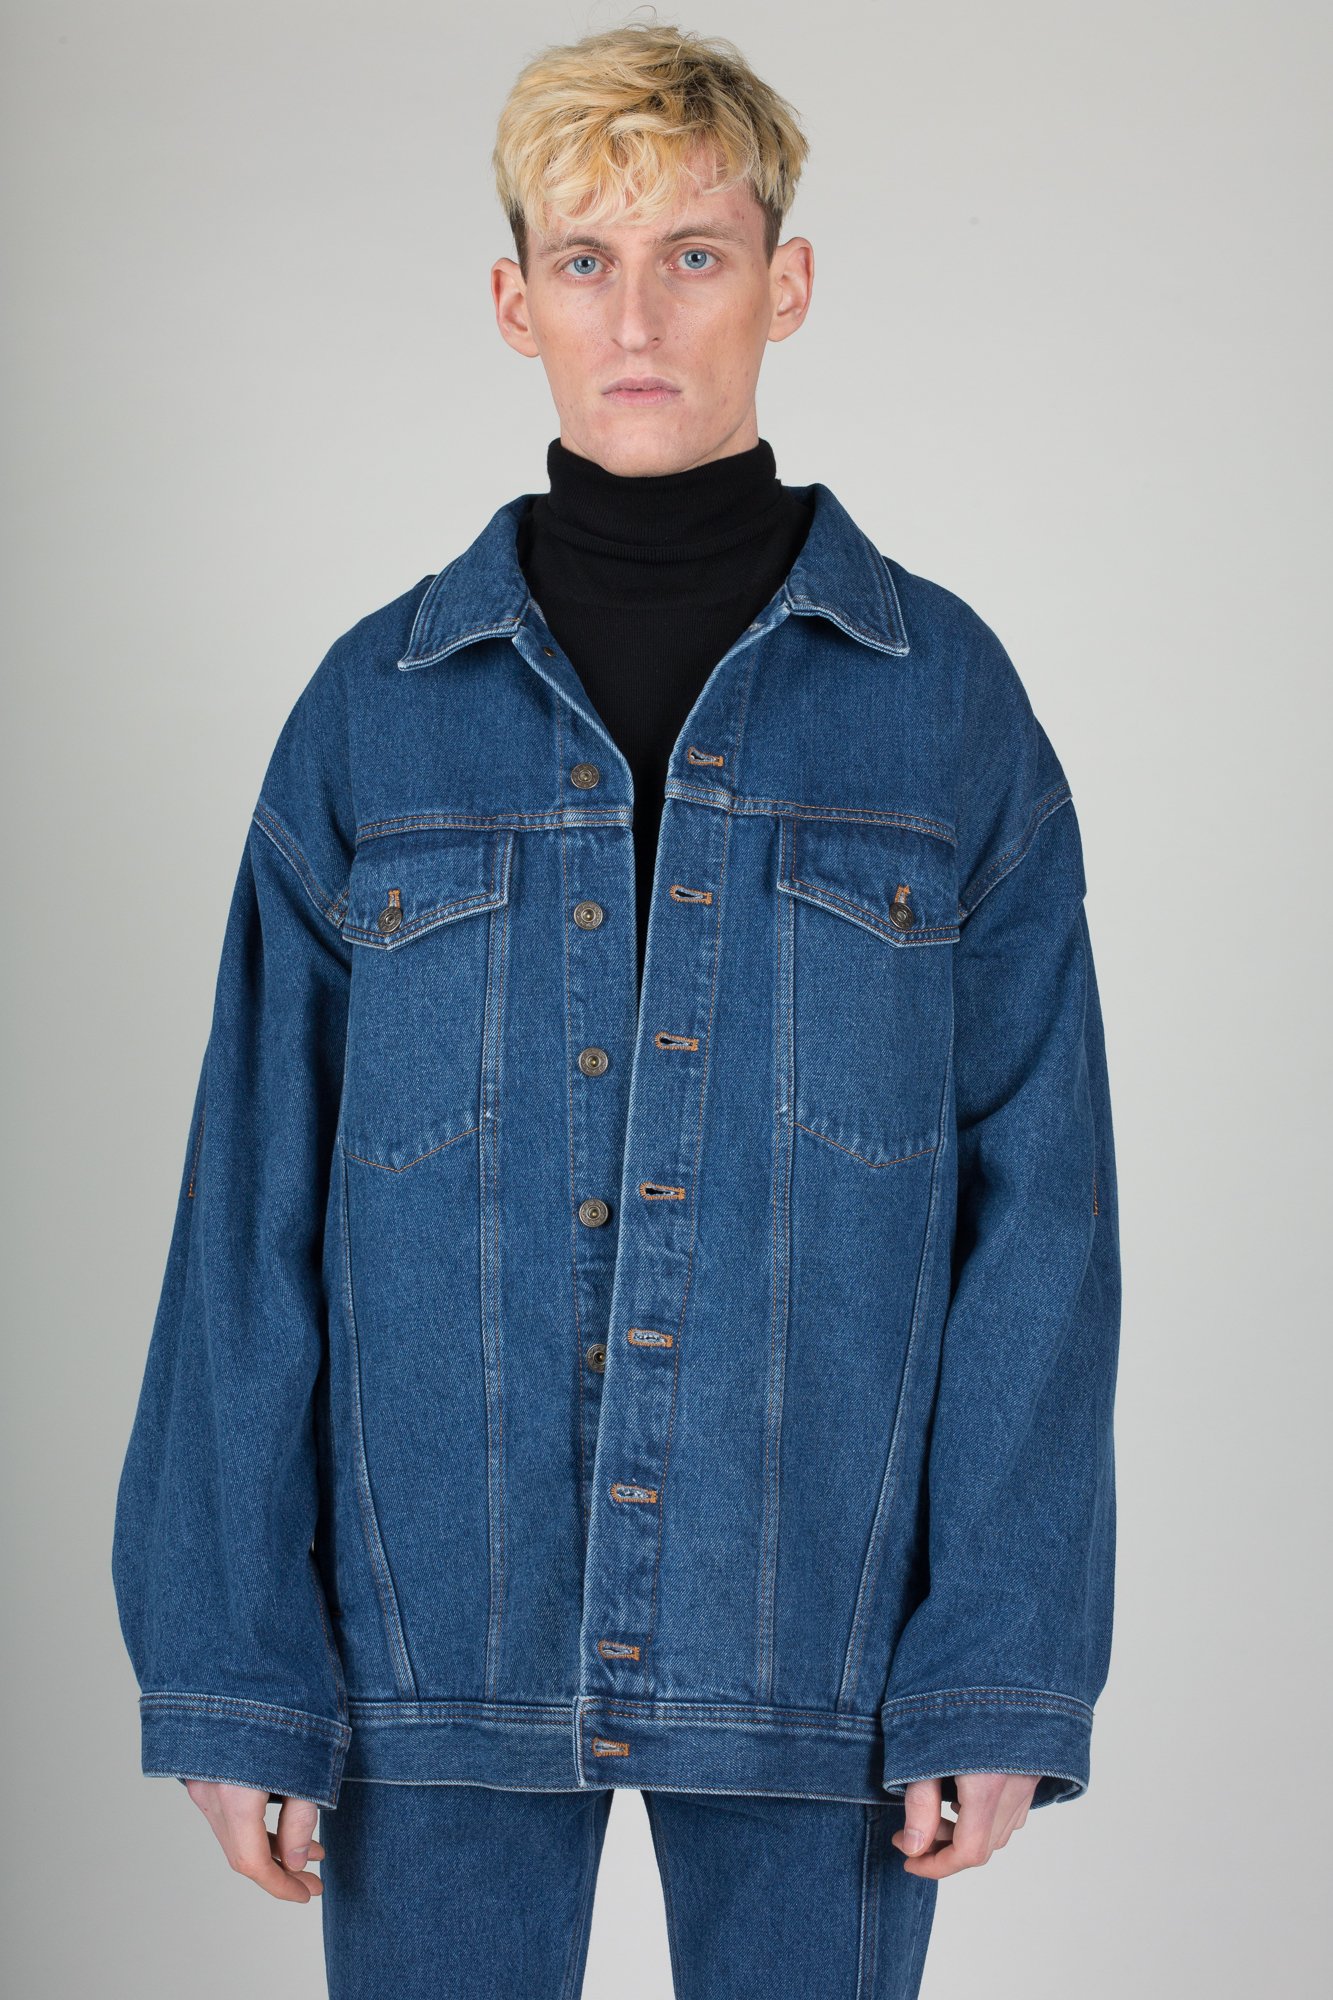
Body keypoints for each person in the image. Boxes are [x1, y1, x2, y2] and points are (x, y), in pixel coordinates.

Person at [111, 22, 1121, 1999]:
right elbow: (247, 1205)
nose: (637, 315)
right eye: (584, 260)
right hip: (432, 1634)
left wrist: (996, 1659)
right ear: (514, 302)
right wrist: (233, 1663)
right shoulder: (374, 713)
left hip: (823, 1633)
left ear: (785, 283)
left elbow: (1044, 1211)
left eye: (694, 254)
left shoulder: (943, 708)